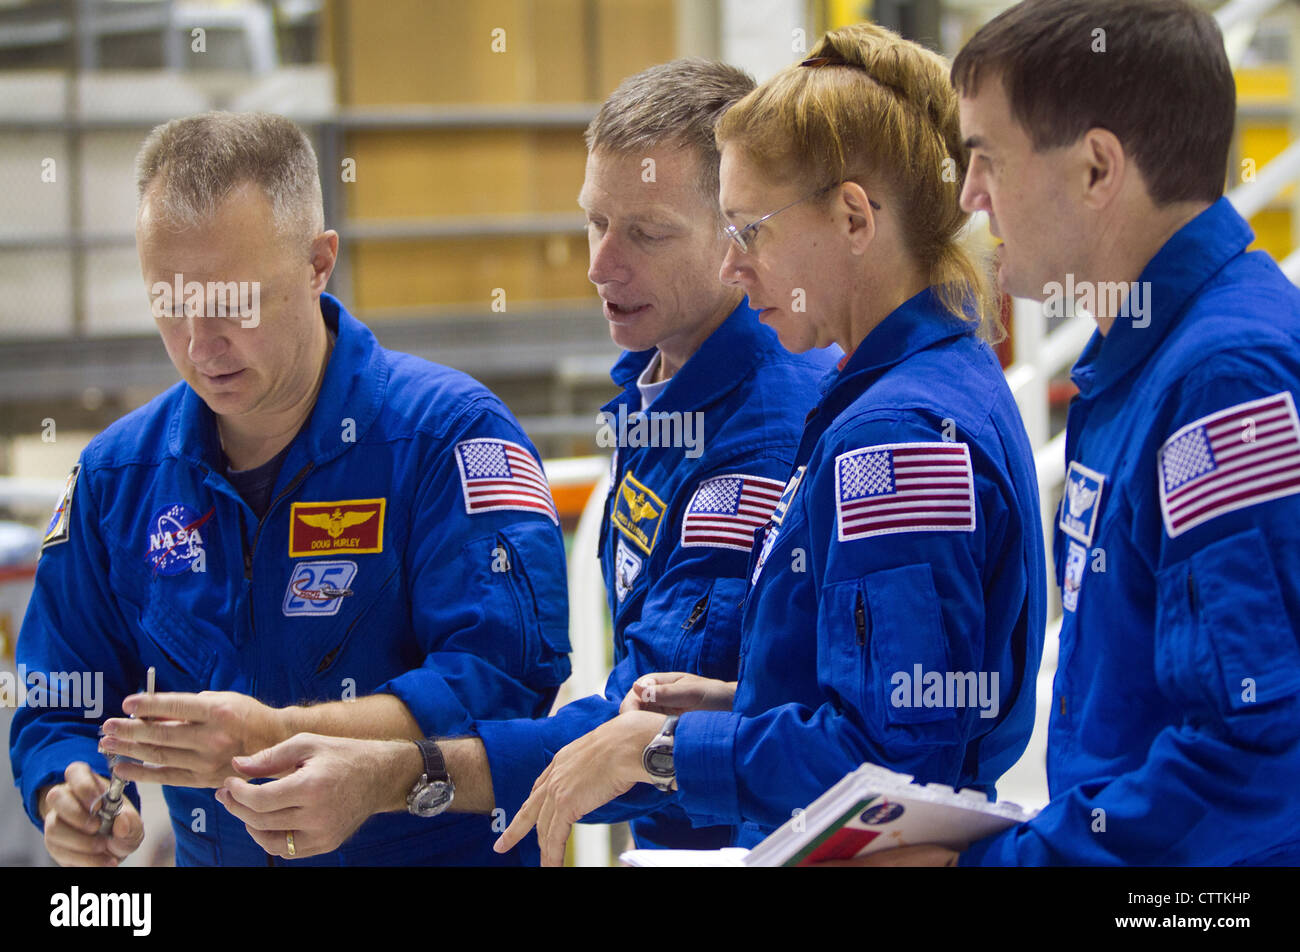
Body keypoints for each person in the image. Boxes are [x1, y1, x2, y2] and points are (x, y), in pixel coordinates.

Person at [213, 60, 838, 858]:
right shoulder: (669, 386)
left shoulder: (761, 432)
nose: (599, 265)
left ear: (741, 231)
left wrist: (399, 774)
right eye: (594, 222)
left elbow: (650, 736)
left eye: (645, 234)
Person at [493, 21, 1047, 865]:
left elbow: (892, 761)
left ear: (854, 218)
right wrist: (742, 699)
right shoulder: (921, 379)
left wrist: (658, 750)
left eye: (751, 230)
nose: (735, 265)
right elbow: (883, 702)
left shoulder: (894, 439)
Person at [8, 111, 571, 866]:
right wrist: (64, 789)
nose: (201, 346)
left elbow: (503, 687)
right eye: (170, 305)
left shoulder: (450, 440)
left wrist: (280, 736)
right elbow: (61, 692)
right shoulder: (118, 479)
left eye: (234, 303)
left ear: (317, 262)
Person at [865, 0, 1300, 866]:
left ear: (1099, 168)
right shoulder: (1146, 360)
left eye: (986, 157)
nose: (969, 195)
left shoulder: (1223, 380)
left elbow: (1260, 754)